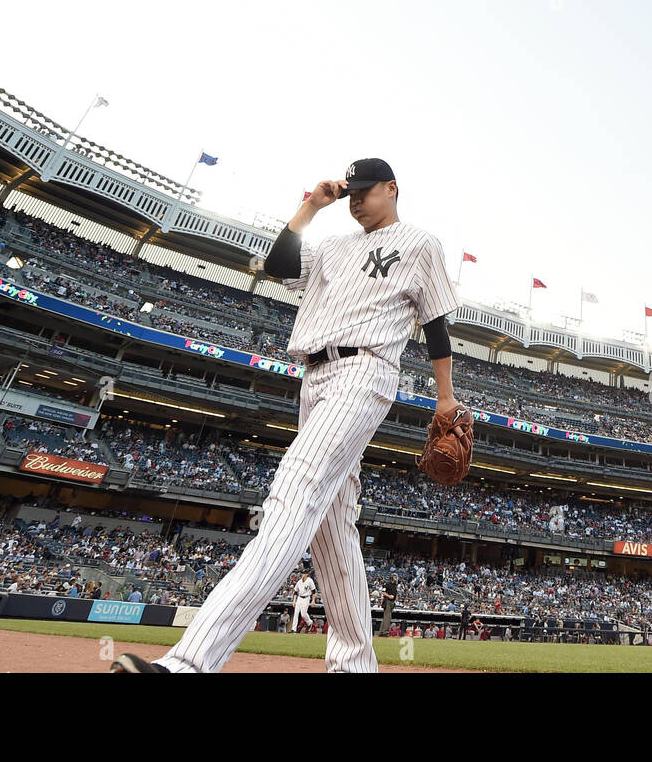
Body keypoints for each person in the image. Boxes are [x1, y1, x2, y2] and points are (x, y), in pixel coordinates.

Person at [113, 161, 463, 674]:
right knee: (333, 528)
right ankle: (354, 667)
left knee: (292, 495)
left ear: (392, 189)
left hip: (365, 371)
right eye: (351, 194)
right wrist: (311, 206)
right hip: (314, 378)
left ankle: (190, 662)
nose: (356, 200)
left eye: (365, 191)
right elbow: (278, 267)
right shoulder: (333, 246)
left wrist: (445, 397)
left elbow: (435, 325)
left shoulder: (419, 242)